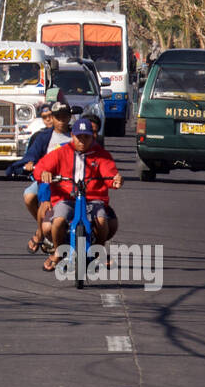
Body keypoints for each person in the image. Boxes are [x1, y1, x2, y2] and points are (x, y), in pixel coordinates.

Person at [33, 116, 123, 271]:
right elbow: (40, 167)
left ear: (92, 137)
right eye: (78, 137)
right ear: (72, 136)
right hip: (65, 199)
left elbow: (110, 173)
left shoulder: (101, 154)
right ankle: (58, 252)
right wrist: (44, 173)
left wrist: (115, 180)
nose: (82, 141)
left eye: (86, 137)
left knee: (102, 221)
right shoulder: (60, 152)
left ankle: (98, 251)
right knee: (58, 221)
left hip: (93, 200)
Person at [9, 101, 74, 252]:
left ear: (70, 117)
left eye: (65, 116)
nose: (61, 120)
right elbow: (32, 155)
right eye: (57, 117)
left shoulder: (76, 136)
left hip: (72, 179)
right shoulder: (44, 136)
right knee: (30, 197)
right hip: (48, 179)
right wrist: (31, 163)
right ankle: (40, 232)